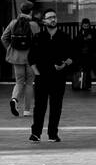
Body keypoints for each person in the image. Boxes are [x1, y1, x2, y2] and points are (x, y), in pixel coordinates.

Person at [29, 10, 74, 143]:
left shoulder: (64, 37)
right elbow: (31, 57)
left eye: (54, 17)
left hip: (58, 78)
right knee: (39, 107)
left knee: (56, 107)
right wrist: (36, 72)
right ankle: (36, 133)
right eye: (49, 18)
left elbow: (72, 56)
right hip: (42, 77)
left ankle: (53, 134)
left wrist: (64, 65)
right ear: (44, 21)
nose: (53, 19)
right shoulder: (38, 37)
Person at [1, 1, 42, 118]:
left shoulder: (13, 23)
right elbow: (39, 43)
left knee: (19, 82)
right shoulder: (34, 25)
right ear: (31, 11)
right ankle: (27, 110)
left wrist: (10, 49)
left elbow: (3, 38)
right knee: (29, 83)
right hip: (31, 57)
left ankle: (14, 100)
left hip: (16, 57)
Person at [78, 19, 96, 92]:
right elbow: (78, 42)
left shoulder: (94, 32)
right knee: (87, 72)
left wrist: (91, 39)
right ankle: (88, 86)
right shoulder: (80, 32)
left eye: (87, 26)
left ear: (89, 25)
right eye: (84, 26)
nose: (86, 27)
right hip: (85, 55)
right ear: (82, 25)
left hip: (93, 55)